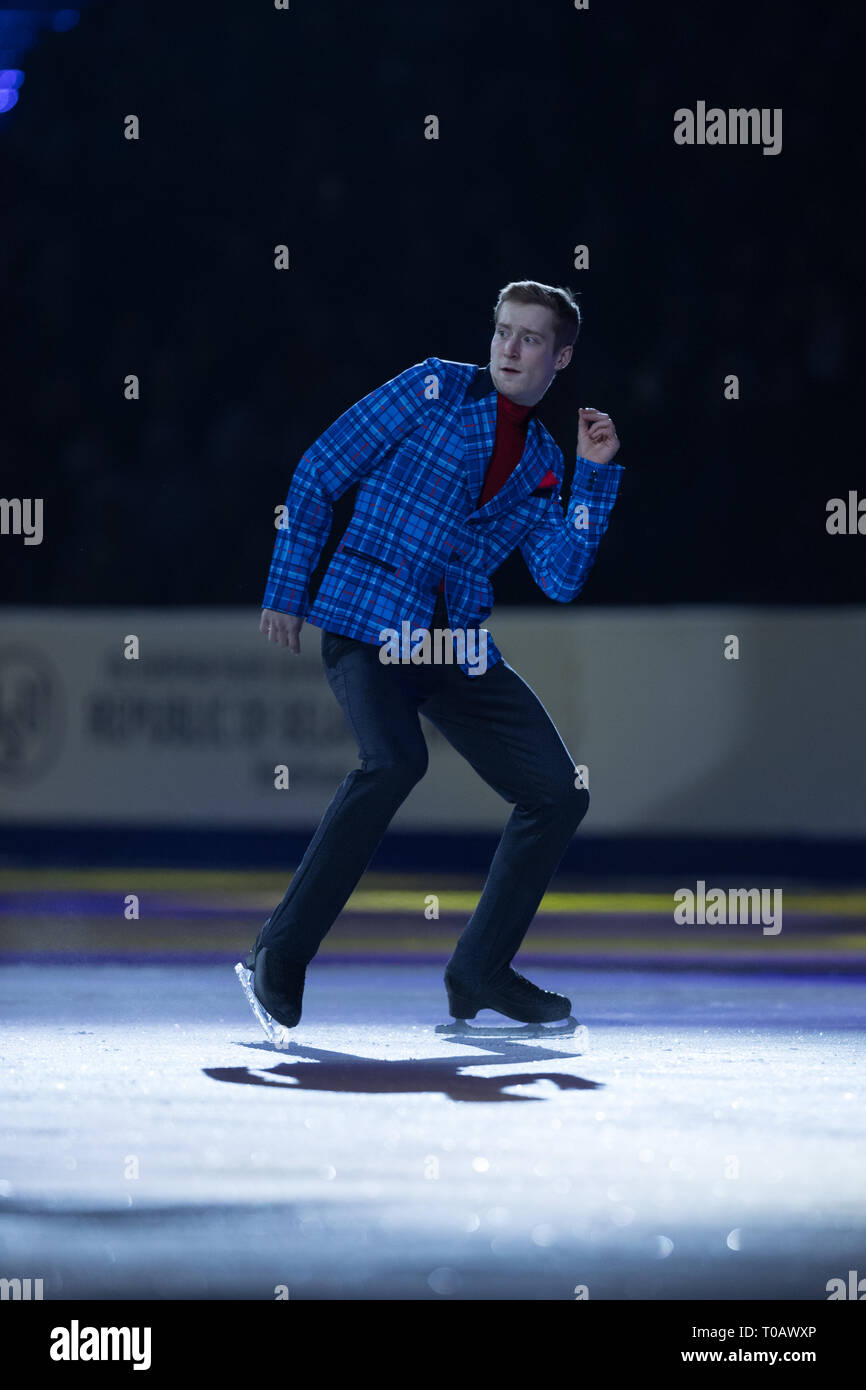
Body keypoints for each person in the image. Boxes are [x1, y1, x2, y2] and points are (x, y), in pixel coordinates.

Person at [243, 279, 623, 1030]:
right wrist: (287, 587)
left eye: (531, 338)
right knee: (394, 761)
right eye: (504, 332)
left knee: (557, 794)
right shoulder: (433, 388)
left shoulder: (547, 459)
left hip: (453, 645)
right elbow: (322, 468)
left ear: (561, 356)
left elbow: (561, 577)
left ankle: (479, 970)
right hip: (368, 617)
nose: (511, 349)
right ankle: (279, 952)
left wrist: (593, 476)